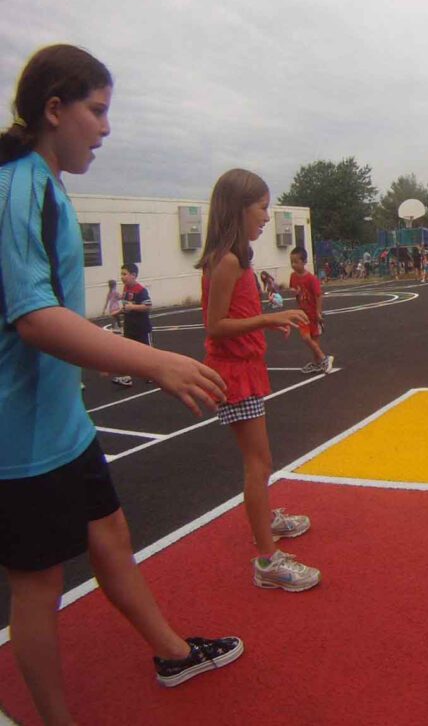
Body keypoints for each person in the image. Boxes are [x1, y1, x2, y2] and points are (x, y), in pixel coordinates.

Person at [0, 44, 243, 726]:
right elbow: (33, 317)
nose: (106, 129)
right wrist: (152, 362)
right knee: (38, 586)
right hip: (20, 437)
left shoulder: (47, 186)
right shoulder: (19, 188)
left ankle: (172, 652)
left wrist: (113, 358)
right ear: (55, 109)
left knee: (110, 532)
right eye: (97, 111)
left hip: (63, 422)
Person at [198, 168, 320, 593]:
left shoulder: (232, 258)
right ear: (239, 209)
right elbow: (215, 325)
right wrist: (269, 318)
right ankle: (267, 560)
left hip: (244, 368)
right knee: (259, 462)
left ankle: (265, 519)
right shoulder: (227, 261)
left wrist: (265, 320)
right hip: (235, 373)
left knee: (259, 459)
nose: (268, 217)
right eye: (263, 208)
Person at [286, 247, 332, 374]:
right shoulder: (293, 276)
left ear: (304, 261)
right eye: (291, 262)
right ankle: (324, 358)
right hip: (303, 314)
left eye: (296, 262)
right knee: (306, 337)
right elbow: (293, 290)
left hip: (312, 314)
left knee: (314, 340)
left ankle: (318, 363)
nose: (293, 265)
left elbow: (318, 295)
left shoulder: (311, 279)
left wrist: (318, 312)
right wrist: (294, 292)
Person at [110, 262, 152, 387]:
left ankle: (151, 374)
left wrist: (133, 307)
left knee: (147, 353)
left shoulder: (141, 290)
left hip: (141, 328)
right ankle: (126, 377)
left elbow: (148, 306)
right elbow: (126, 307)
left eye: (125, 274)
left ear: (133, 275)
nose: (122, 277)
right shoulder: (126, 289)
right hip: (129, 327)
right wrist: (118, 312)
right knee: (126, 353)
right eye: (121, 274)